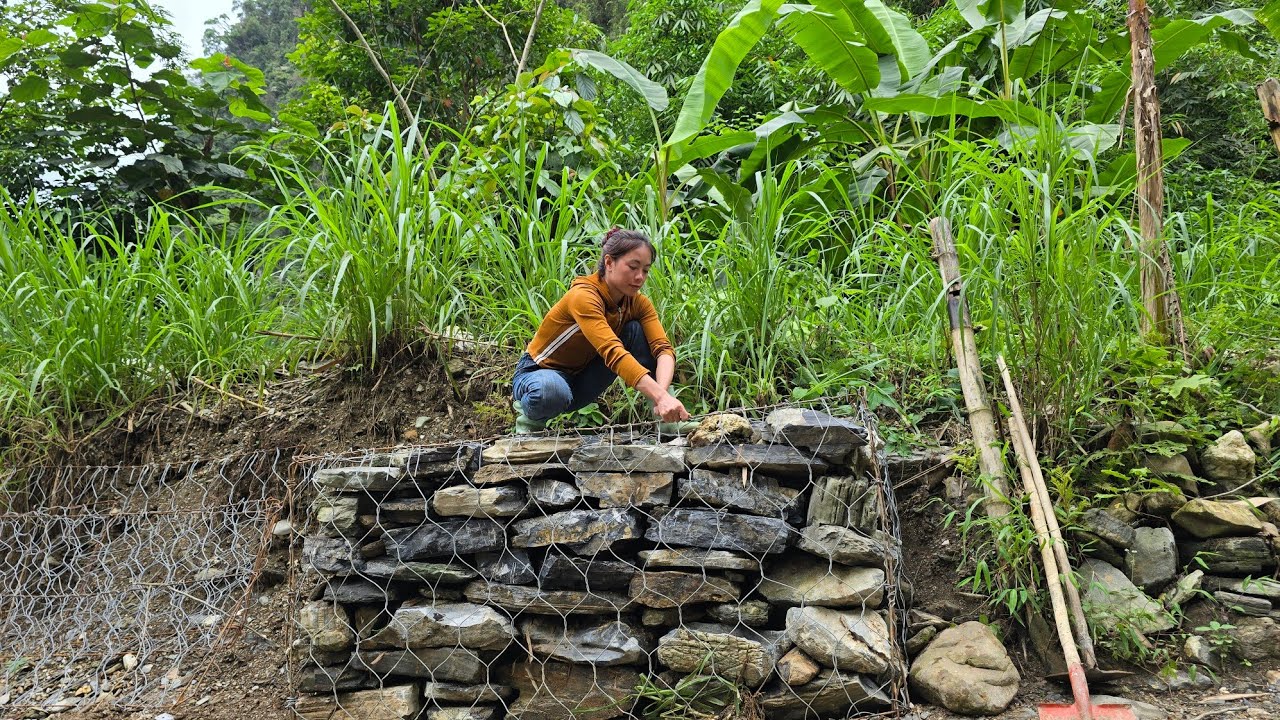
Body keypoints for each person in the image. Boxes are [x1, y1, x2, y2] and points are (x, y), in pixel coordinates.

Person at [511, 228, 692, 434]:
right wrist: (661, 396)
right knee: (551, 390)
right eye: (633, 267)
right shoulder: (583, 296)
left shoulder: (638, 304)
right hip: (540, 374)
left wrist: (663, 397)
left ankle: (667, 421)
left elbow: (663, 350)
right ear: (608, 263)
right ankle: (529, 421)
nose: (640, 277)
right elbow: (613, 352)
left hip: (583, 380)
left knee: (635, 330)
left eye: (646, 270)